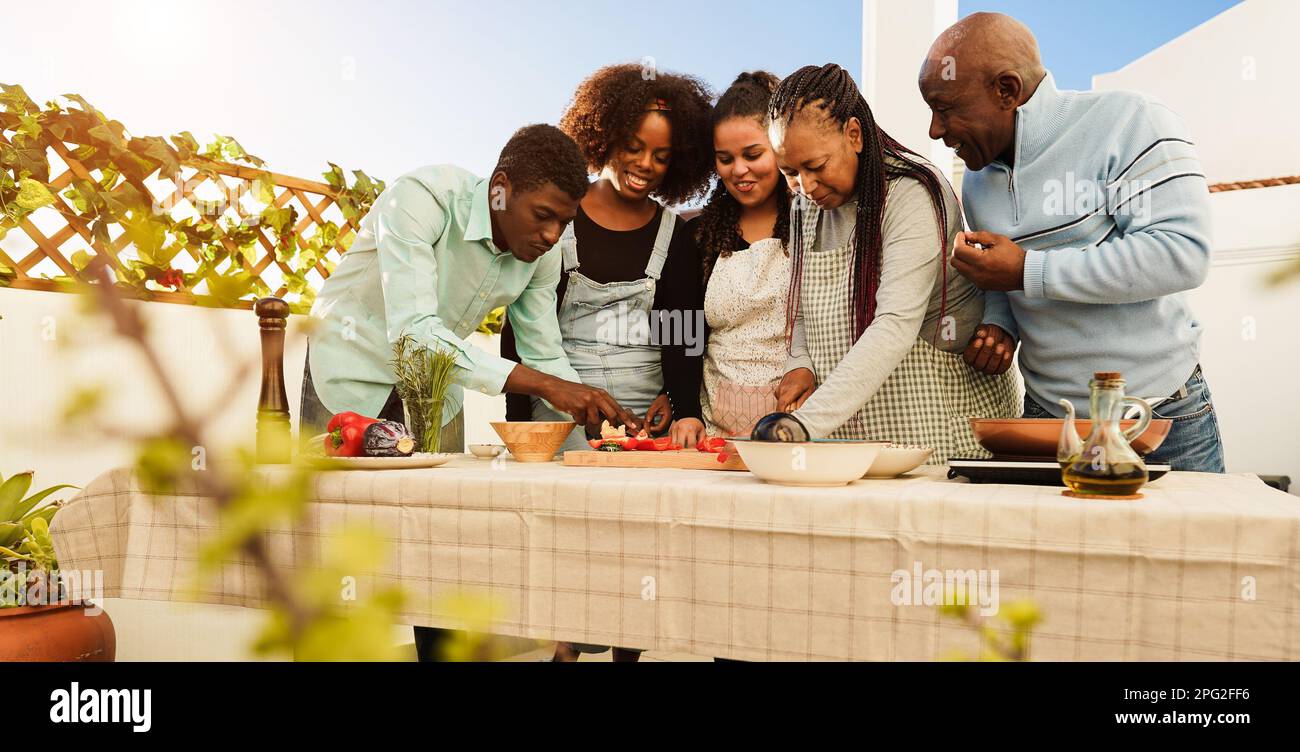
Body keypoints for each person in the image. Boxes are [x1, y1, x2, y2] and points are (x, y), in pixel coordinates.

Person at [302, 124, 640, 661]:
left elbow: (543, 353)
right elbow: (414, 332)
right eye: (543, 216)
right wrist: (548, 383)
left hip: (437, 394)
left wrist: (588, 421)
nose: (553, 235)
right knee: (336, 553)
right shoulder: (421, 200)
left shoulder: (542, 255)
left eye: (564, 221)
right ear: (501, 188)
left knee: (441, 554)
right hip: (347, 374)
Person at [918, 12, 1224, 472]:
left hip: (1159, 416)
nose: (935, 130)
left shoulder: (1130, 121)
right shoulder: (977, 182)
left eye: (946, 108)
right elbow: (1004, 281)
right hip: (1050, 422)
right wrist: (1002, 324)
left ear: (1007, 90)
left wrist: (1027, 270)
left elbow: (1181, 254)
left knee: (1199, 546)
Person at [500, 62, 713, 662]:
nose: (646, 164)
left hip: (641, 418)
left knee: (637, 548)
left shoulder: (674, 235)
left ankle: (628, 653)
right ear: (603, 138)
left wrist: (685, 401)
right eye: (632, 147)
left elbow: (683, 328)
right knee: (572, 547)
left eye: (662, 156)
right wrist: (526, 431)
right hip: (561, 413)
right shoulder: (558, 217)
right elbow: (520, 333)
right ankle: (565, 650)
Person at [767, 64, 1021, 461]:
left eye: (815, 167)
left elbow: (895, 325)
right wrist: (800, 364)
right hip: (859, 425)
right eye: (790, 173)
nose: (805, 186)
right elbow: (800, 306)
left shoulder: (914, 193)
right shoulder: (805, 206)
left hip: (936, 422)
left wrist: (802, 426)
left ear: (853, 134)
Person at [668, 71, 794, 448]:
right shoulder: (697, 236)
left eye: (753, 154)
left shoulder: (816, 224)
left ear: (780, 146)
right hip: (714, 431)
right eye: (725, 159)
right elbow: (677, 332)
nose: (739, 170)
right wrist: (685, 410)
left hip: (802, 427)